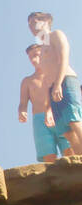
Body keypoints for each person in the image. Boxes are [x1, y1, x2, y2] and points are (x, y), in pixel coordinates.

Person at [27, 12, 82, 157]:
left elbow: (64, 57)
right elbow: (45, 79)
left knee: (74, 120)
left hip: (66, 80)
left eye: (34, 22)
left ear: (45, 21)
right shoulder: (42, 48)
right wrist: (48, 109)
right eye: (29, 24)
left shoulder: (56, 35)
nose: (31, 26)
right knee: (66, 132)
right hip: (53, 88)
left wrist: (58, 83)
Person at [19, 44, 69, 164]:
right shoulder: (28, 81)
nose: (33, 59)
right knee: (48, 157)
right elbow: (23, 102)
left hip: (58, 114)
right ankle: (55, 181)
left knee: (69, 150)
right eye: (30, 57)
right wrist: (22, 111)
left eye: (36, 55)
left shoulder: (55, 73)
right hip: (40, 120)